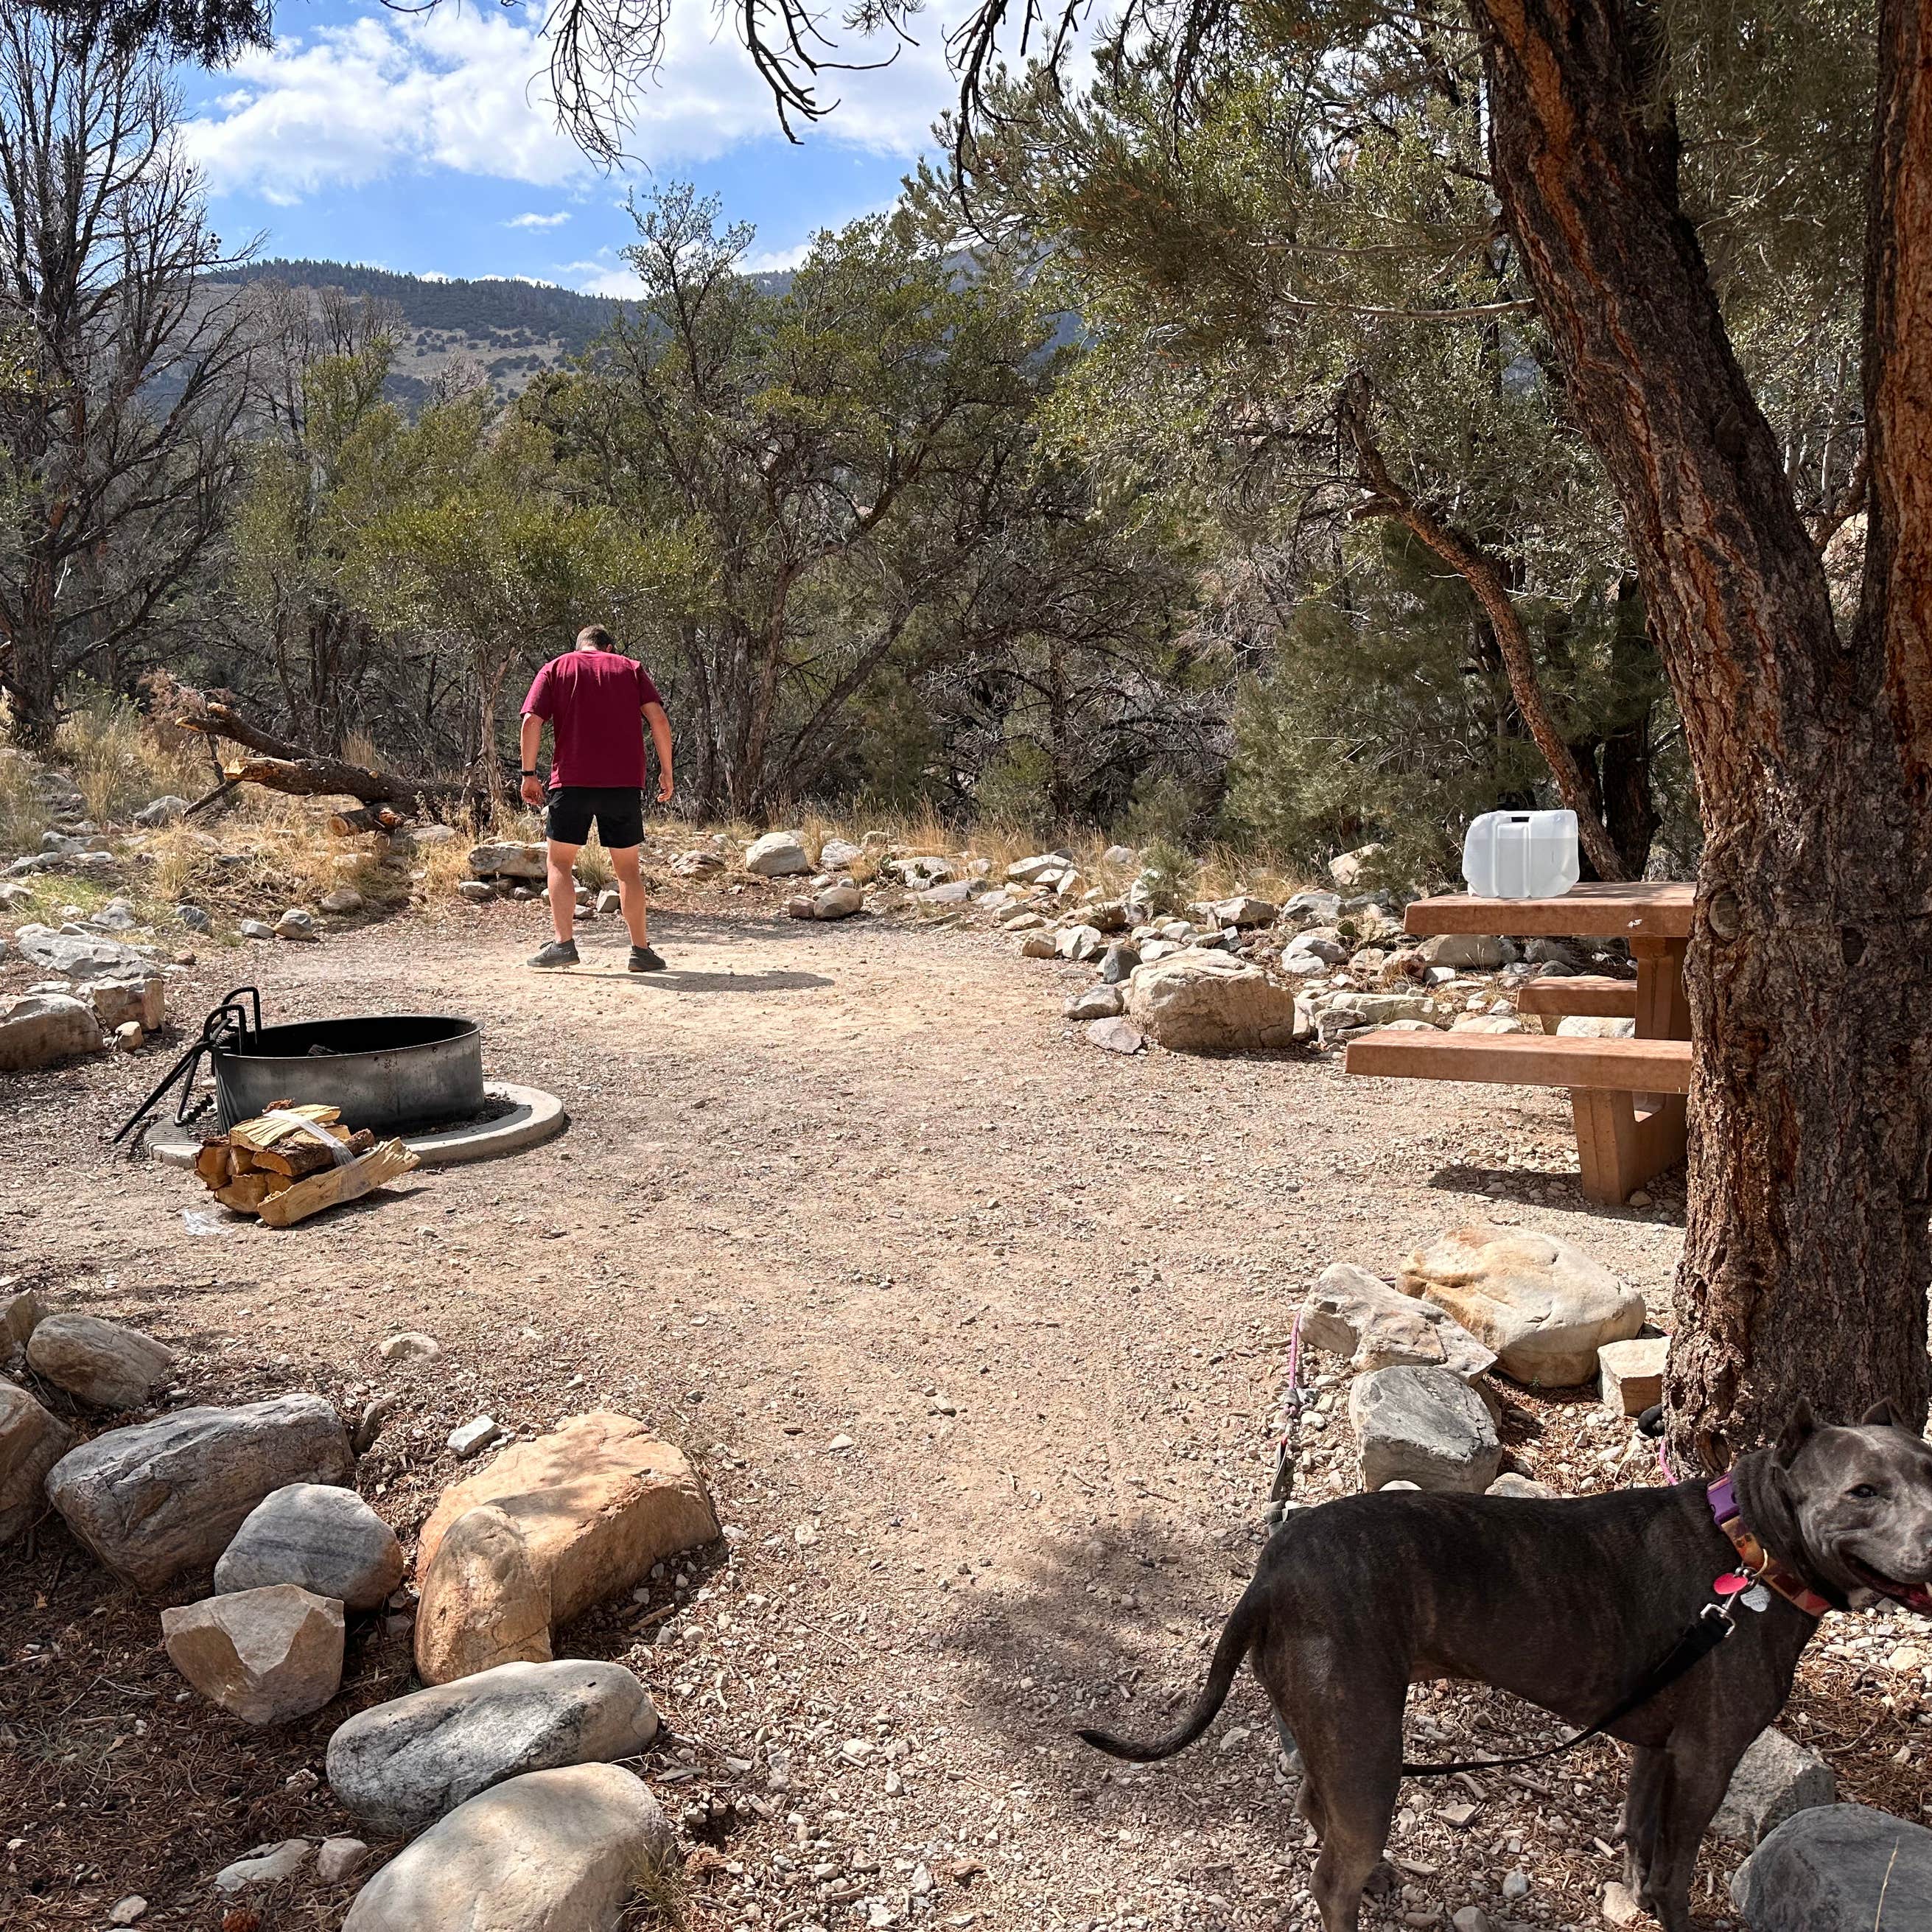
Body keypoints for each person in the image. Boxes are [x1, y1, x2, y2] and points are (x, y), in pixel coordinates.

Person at [519, 623, 674, 971]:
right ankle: (641, 951)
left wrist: (529, 775)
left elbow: (531, 721)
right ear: (609, 646)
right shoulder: (630, 668)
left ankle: (564, 945)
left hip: (570, 782)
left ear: (580, 646)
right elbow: (659, 720)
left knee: (560, 862)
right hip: (622, 785)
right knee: (628, 870)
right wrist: (667, 771)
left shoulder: (557, 667)